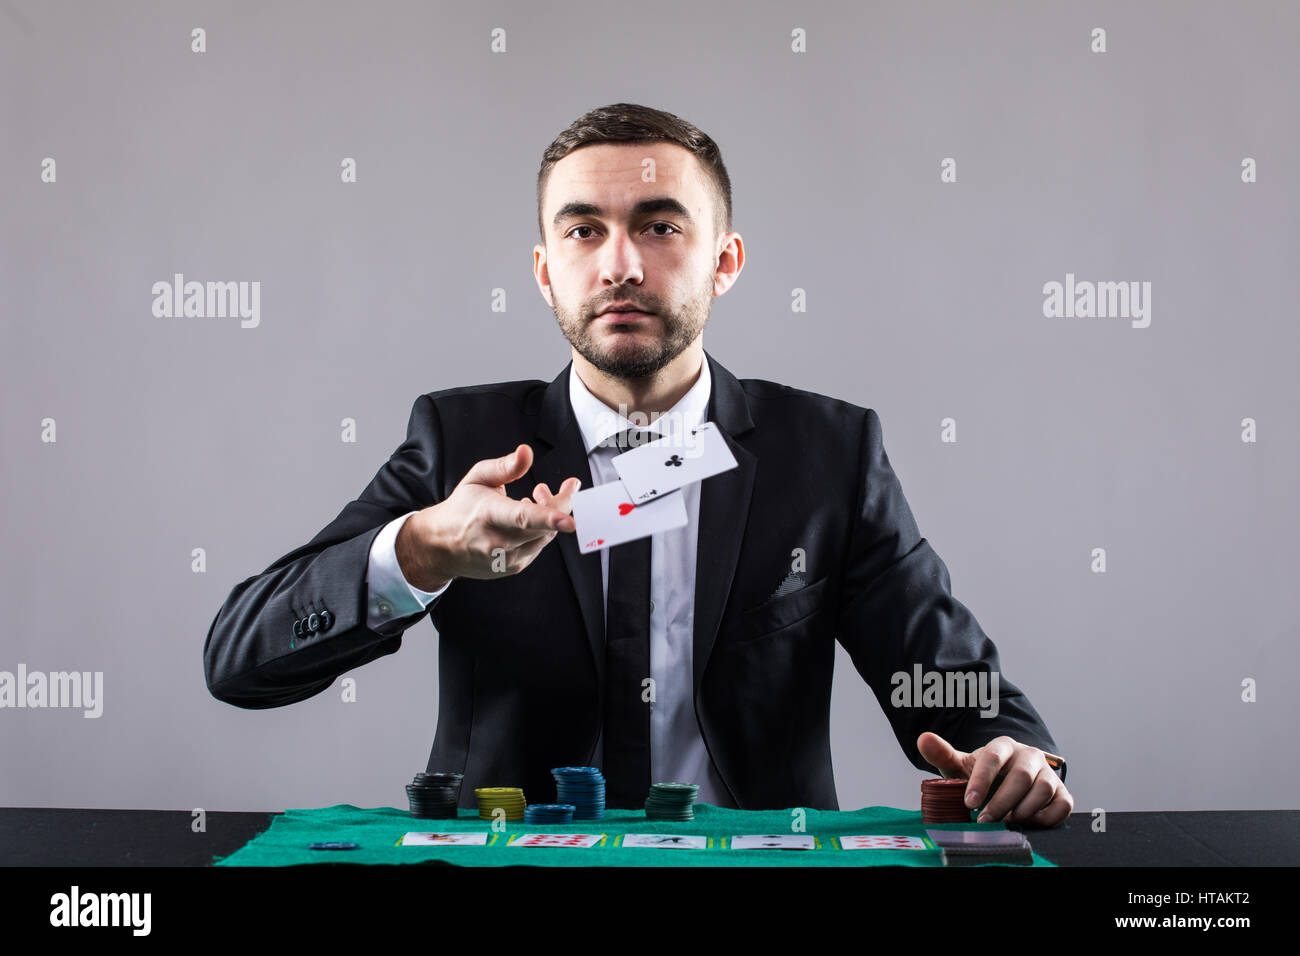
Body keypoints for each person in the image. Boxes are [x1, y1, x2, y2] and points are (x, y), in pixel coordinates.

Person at [205, 103, 1073, 827]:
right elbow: (238, 658)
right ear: (546, 274)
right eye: (584, 230)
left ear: (724, 260)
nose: (620, 264)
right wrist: (420, 552)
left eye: (659, 226)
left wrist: (1010, 748)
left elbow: (943, 681)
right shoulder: (458, 439)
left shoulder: (829, 454)